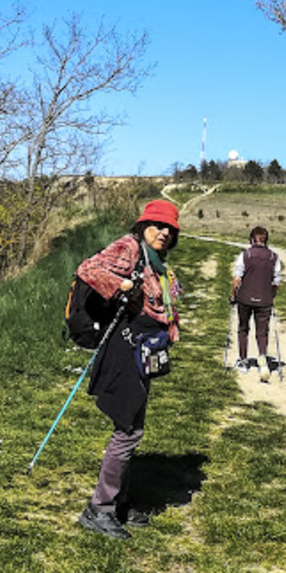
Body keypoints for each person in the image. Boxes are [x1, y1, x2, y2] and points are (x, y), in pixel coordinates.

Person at [77, 199, 182, 539]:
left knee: (133, 424)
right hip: (125, 348)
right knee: (128, 428)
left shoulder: (155, 261)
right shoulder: (129, 246)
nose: (164, 233)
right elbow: (88, 269)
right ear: (143, 225)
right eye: (158, 225)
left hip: (143, 350)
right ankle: (99, 509)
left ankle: (119, 501)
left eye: (170, 229)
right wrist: (120, 286)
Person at [231, 226, 281, 382]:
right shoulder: (274, 257)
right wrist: (271, 295)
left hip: (245, 298)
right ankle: (262, 358)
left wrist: (233, 295)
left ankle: (243, 361)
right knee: (262, 331)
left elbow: (237, 278)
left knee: (243, 328)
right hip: (265, 299)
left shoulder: (245, 254)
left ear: (252, 239)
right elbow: (276, 281)